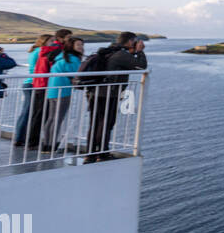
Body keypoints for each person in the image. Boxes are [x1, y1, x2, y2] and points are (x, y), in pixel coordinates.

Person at [85, 32, 147, 163]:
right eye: (135, 42)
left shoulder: (110, 51)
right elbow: (141, 66)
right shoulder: (121, 54)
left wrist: (133, 52)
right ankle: (102, 153)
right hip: (109, 93)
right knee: (106, 124)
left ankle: (90, 154)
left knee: (95, 123)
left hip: (95, 92)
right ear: (130, 42)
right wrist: (140, 51)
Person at [24, 28, 72, 149]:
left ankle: (35, 141)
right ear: (61, 38)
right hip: (45, 84)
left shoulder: (46, 50)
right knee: (43, 115)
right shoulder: (56, 50)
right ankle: (36, 142)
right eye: (69, 38)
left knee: (40, 114)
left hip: (39, 83)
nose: (70, 40)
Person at [39, 37, 85, 152]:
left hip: (52, 90)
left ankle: (46, 144)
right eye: (78, 45)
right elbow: (78, 74)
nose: (81, 47)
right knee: (57, 119)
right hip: (63, 90)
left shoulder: (61, 57)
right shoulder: (73, 59)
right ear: (71, 46)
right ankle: (51, 146)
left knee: (51, 118)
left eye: (82, 45)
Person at [12, 33, 52, 149]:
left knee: (26, 112)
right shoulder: (41, 51)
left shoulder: (34, 51)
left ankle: (20, 137)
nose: (53, 43)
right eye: (51, 41)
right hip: (34, 83)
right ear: (44, 41)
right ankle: (20, 139)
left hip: (29, 82)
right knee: (29, 112)